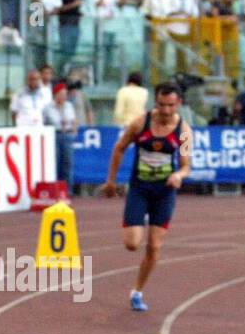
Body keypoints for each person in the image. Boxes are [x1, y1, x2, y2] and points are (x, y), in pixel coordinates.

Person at [98, 81, 192, 312]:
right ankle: (140, 218)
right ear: (155, 102)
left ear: (178, 103)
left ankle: (137, 291)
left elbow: (186, 165)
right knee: (131, 244)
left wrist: (178, 175)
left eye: (170, 105)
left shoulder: (184, 131)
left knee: (154, 247)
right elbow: (119, 148)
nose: (166, 111)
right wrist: (111, 181)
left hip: (164, 192)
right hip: (139, 189)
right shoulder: (141, 123)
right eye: (161, 105)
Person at [43, 81, 79, 186]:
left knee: (68, 163)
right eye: (61, 94)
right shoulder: (48, 107)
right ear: (55, 94)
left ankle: (68, 189)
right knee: (56, 162)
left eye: (65, 94)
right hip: (55, 134)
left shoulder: (69, 106)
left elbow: (73, 120)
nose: (64, 96)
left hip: (68, 135)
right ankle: (56, 188)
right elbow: (49, 121)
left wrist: (74, 131)